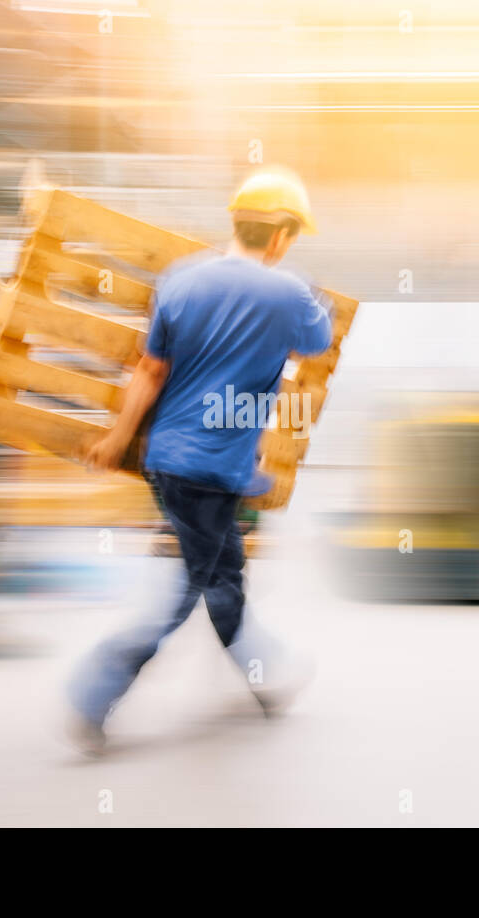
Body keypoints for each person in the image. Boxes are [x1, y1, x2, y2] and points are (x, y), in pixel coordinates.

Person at [65, 167, 332, 754]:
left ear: (236, 223)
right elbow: (316, 343)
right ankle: (92, 693)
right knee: (186, 592)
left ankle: (269, 679)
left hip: (169, 464)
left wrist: (114, 441)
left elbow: (151, 371)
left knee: (225, 582)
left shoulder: (179, 280)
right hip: (212, 472)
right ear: (282, 236)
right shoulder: (289, 294)